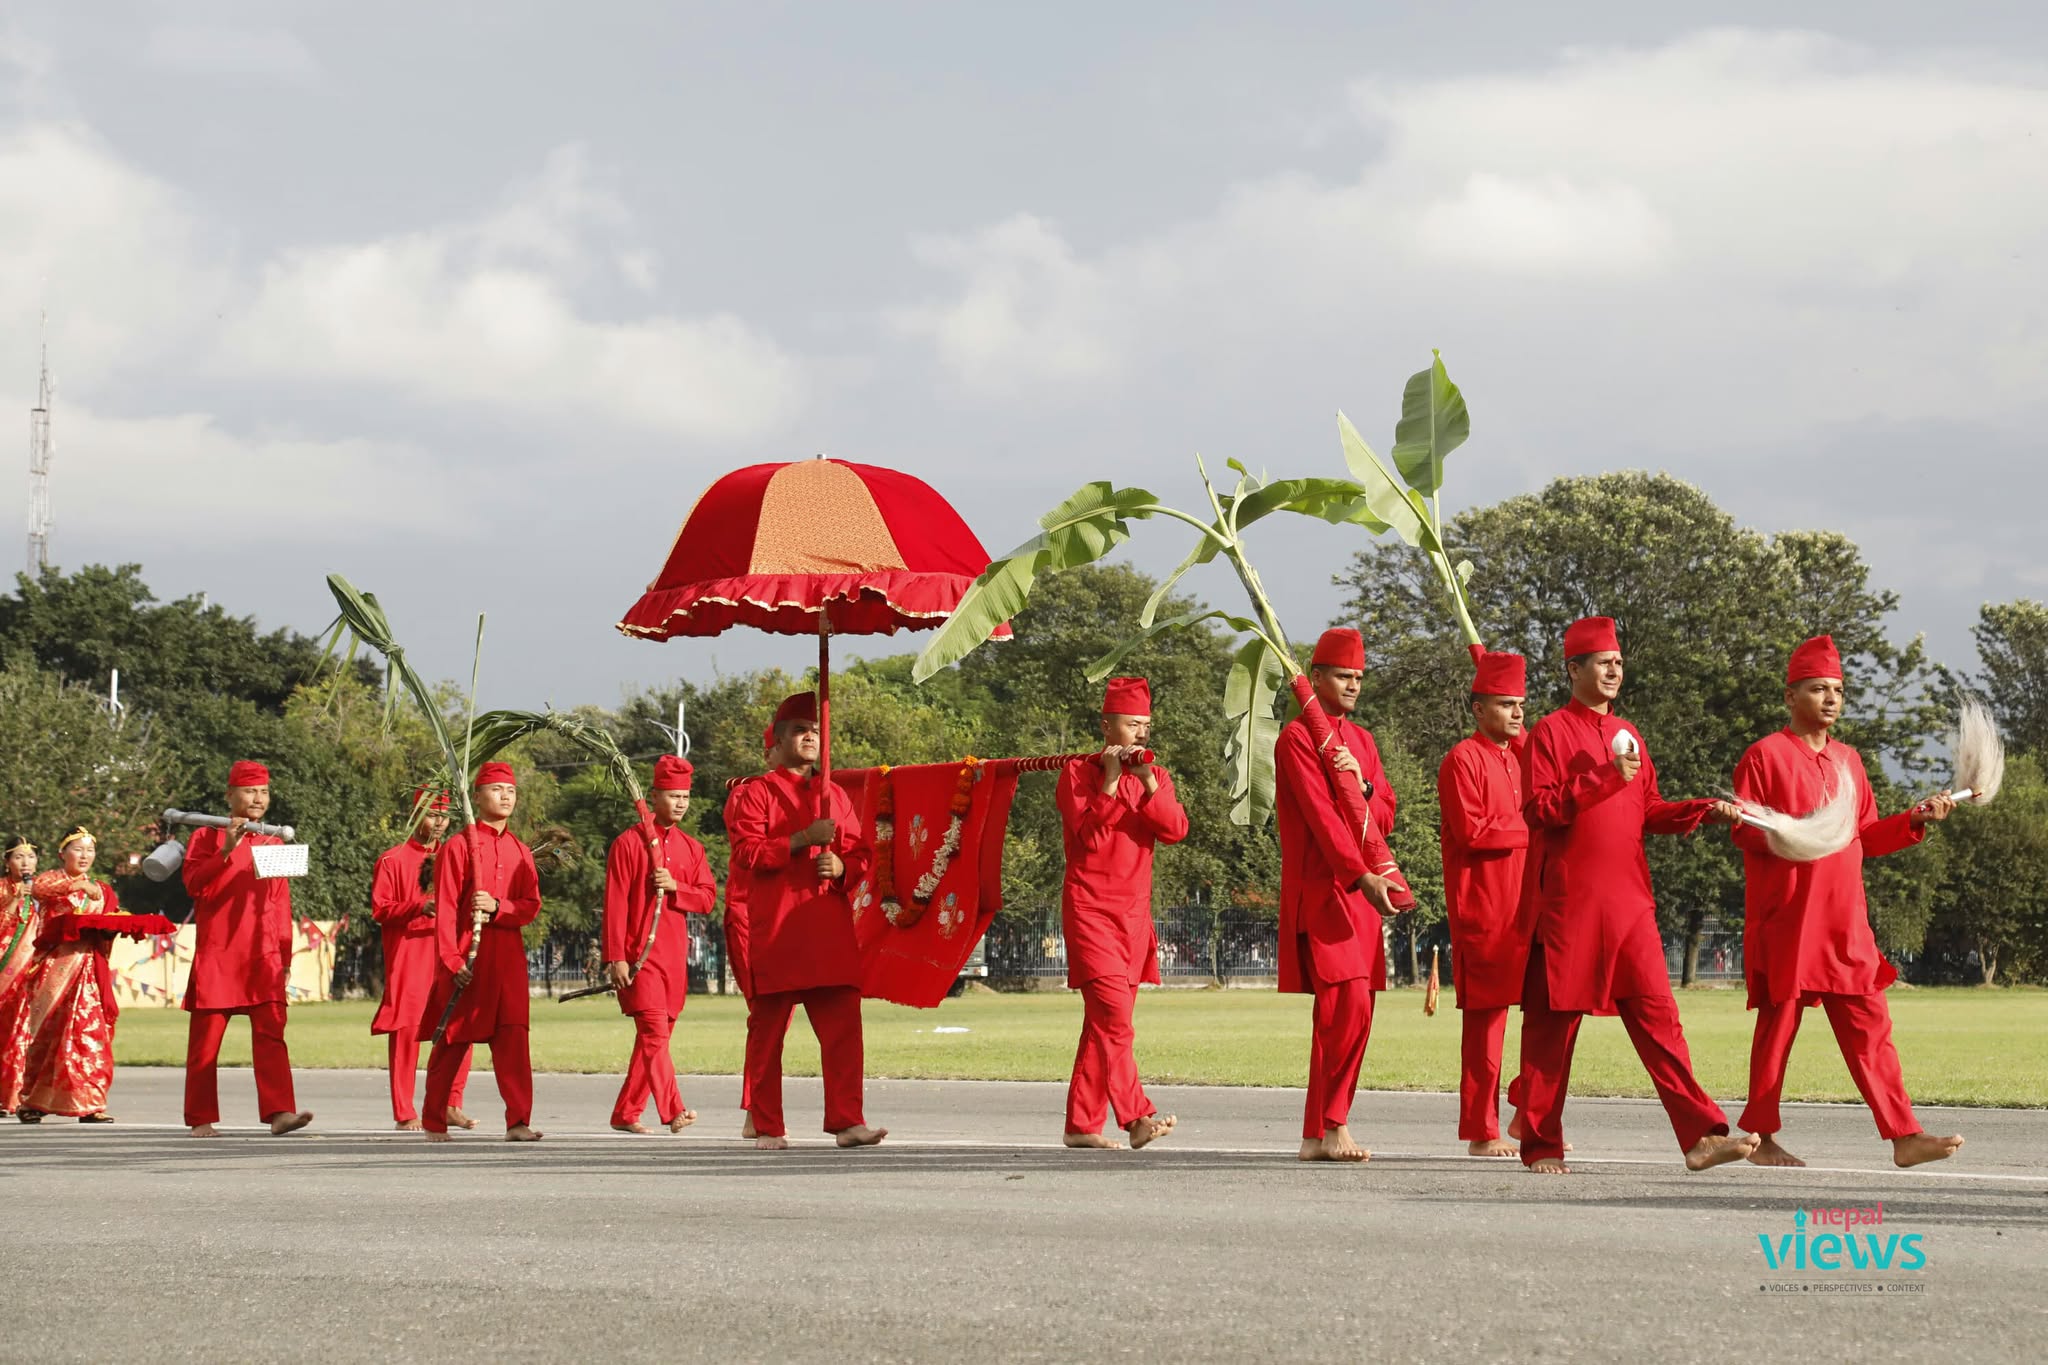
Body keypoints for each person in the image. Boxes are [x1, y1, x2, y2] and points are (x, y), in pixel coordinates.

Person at [1516, 617, 1756, 1174]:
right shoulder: (1550, 732)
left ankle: (1702, 1136)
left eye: (1619, 662)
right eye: (1603, 662)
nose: (1614, 670)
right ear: (1574, 669)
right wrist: (1602, 776)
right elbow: (1538, 810)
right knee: (1552, 1033)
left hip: (1629, 906)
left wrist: (1698, 808)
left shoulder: (1630, 734)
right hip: (1570, 907)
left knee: (1660, 1020)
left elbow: (1648, 810)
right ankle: (1541, 1144)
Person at [1732, 634, 1965, 1169]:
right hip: (1788, 920)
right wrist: (1787, 834)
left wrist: (1913, 820)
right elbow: (1745, 831)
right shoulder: (1765, 756)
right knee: (1777, 1031)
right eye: (1819, 689)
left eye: (1838, 690)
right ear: (1791, 697)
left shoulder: (1850, 761)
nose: (1832, 699)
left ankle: (1904, 1136)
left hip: (1844, 925)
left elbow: (1865, 837)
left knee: (1871, 1029)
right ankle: (1761, 1138)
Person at [723, 691, 886, 1150]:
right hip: (777, 929)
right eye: (798, 730)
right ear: (775, 744)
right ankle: (769, 1124)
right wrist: (801, 839)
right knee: (768, 1033)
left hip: (827, 927)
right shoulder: (752, 793)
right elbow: (747, 853)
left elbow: (861, 853)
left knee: (843, 1030)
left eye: (813, 729)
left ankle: (848, 1121)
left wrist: (843, 869)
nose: (810, 735)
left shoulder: (832, 792)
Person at [1275, 628, 1403, 1163]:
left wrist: (1364, 786)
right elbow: (1323, 820)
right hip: (1328, 891)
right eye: (1343, 676)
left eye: (1358, 678)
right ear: (1316, 677)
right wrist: (1361, 876)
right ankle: (1333, 1125)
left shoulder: (1366, 742)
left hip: (1361, 897)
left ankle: (1317, 1133)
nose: (1352, 685)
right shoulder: (1297, 739)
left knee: (1358, 1009)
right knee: (1342, 1009)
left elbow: (1387, 813)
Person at [1055, 676, 1189, 1150]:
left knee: (1103, 1024)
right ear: (1107, 726)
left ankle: (1080, 1125)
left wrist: (1150, 781)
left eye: (1146, 726)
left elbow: (1175, 829)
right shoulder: (1077, 772)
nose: (1141, 734)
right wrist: (1110, 781)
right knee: (1115, 1020)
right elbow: (1089, 838)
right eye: (1132, 725)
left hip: (1133, 918)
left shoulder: (1156, 775)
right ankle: (1136, 1116)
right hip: (1090, 909)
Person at [182, 761, 313, 1137]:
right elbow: (195, 885)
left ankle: (279, 1113)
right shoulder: (205, 836)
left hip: (263, 956)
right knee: (205, 1045)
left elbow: (279, 904)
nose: (258, 799)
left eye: (264, 792)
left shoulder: (273, 840)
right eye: (250, 791)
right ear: (230, 795)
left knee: (272, 1036)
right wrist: (227, 849)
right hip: (219, 954)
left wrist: (284, 956)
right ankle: (200, 1118)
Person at [1437, 649, 1531, 1157]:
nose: (1517, 713)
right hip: (1484, 910)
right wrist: (1535, 826)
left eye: (1521, 704)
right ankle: (1482, 1129)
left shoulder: (1521, 758)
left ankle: (1526, 1104)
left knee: (1552, 1014)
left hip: (1530, 907)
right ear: (1478, 710)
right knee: (1487, 1024)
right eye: (1505, 704)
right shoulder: (1462, 759)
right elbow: (1473, 832)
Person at [422, 762, 543, 1142]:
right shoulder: (460, 847)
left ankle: (518, 1122)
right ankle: (433, 1120)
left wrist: (499, 907)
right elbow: (443, 909)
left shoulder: (521, 850)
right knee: (453, 1041)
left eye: (511, 790)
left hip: (507, 961)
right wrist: (452, 960)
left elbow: (531, 905)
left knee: (513, 1041)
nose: (505, 796)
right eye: (496, 789)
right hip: (467, 959)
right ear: (477, 797)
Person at [603, 754, 718, 1134]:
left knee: (654, 1039)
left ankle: (625, 1112)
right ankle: (673, 1109)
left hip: (674, 959)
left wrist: (675, 887)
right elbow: (615, 902)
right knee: (653, 1032)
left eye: (685, 796)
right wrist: (615, 956)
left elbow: (707, 898)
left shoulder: (692, 847)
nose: (681, 803)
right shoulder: (628, 843)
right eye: (673, 796)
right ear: (654, 797)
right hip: (640, 956)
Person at [0, 827, 124, 1121]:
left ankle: (90, 1103)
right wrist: (76, 887)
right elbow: (41, 891)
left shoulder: (102, 889)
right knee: (46, 1036)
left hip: (87, 972)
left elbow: (110, 919)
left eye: (89, 850)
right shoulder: (49, 881)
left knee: (89, 1034)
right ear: (62, 854)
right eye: (77, 849)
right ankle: (32, 1102)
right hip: (52, 970)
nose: (84, 856)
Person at [369, 788, 474, 1131]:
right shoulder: (393, 860)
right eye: (432, 814)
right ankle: (404, 1110)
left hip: (447, 952)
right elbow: (381, 909)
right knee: (406, 1029)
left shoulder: (457, 855)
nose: (440, 822)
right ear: (416, 815)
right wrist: (419, 906)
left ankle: (450, 1102)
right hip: (409, 955)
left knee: (458, 1025)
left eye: (445, 815)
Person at [1, 835, 39, 1015]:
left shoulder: (43, 889)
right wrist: (16, 900)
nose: (26, 863)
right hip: (6, 962)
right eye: (18, 857)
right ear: (7, 862)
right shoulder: (1, 888)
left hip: (35, 964)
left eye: (31, 857)